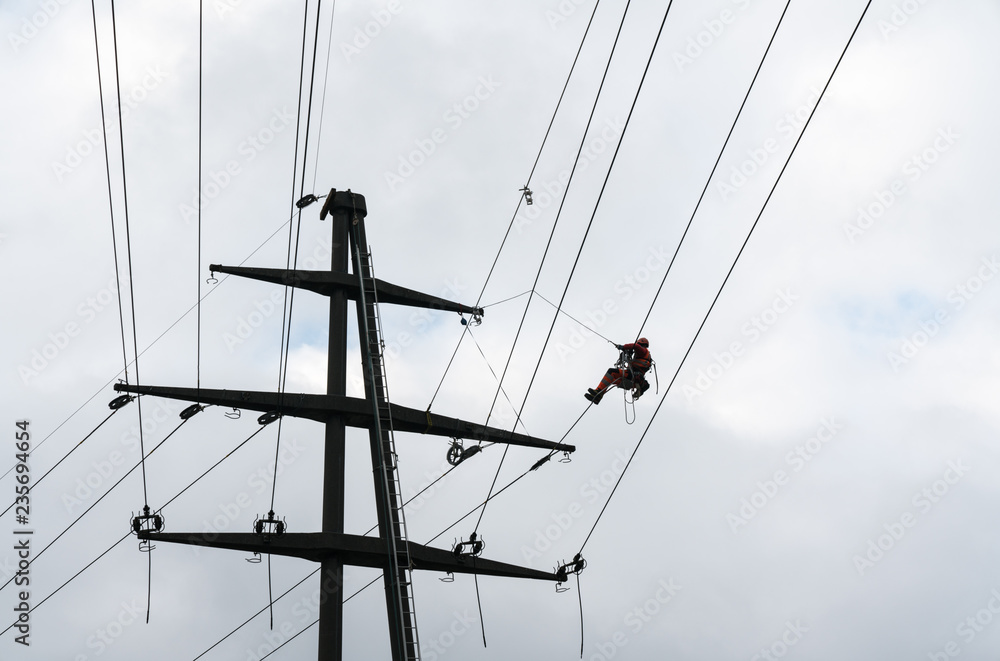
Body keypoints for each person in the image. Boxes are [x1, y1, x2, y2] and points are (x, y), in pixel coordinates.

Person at [585, 338, 652, 405]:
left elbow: (636, 346)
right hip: (634, 380)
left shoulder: (643, 351)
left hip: (632, 376)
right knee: (610, 379)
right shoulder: (642, 356)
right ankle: (598, 396)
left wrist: (623, 347)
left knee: (611, 372)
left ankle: (598, 391)